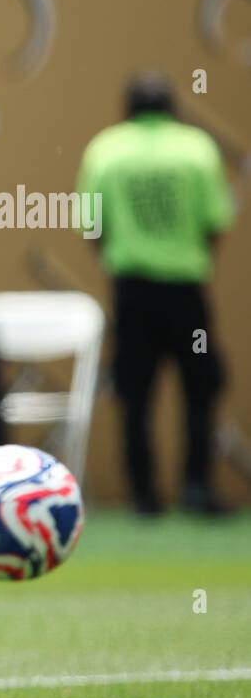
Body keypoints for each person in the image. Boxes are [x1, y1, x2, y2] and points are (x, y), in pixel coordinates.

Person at [76, 73, 235, 516]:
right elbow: (216, 223)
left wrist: (120, 256)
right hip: (186, 289)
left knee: (134, 392)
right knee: (200, 389)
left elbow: (91, 224)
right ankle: (197, 487)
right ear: (173, 108)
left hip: (132, 290)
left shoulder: (107, 149)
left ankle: (143, 495)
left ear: (127, 109)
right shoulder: (196, 149)